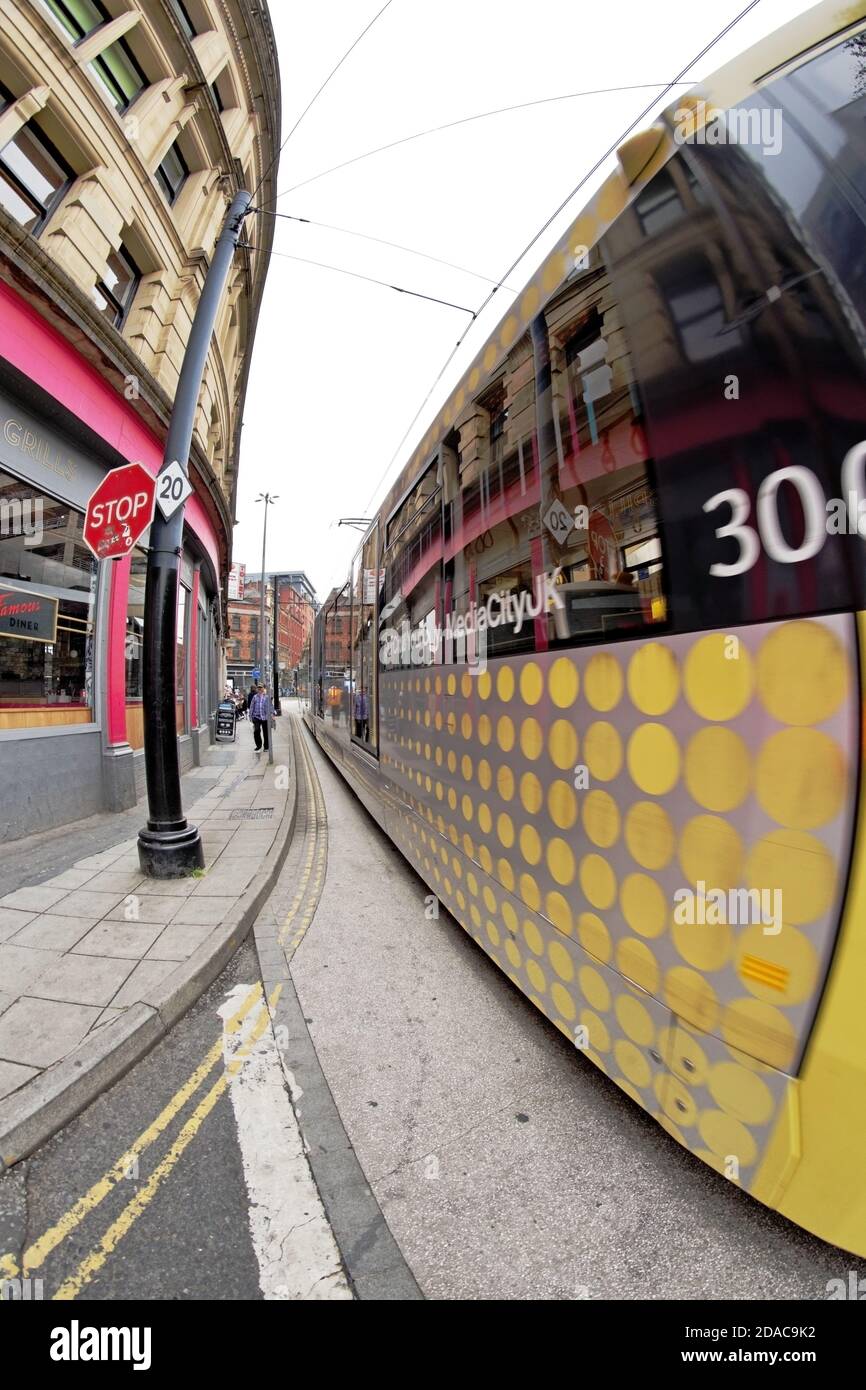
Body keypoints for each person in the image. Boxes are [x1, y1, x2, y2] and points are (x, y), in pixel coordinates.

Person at [249, 683, 270, 753]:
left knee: (266, 733)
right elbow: (251, 707)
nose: (260, 689)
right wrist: (250, 716)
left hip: (265, 718)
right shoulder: (255, 697)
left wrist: (272, 714)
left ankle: (266, 747)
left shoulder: (266, 697)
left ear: (264, 689)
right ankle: (258, 746)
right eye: (258, 688)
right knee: (256, 731)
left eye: (261, 688)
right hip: (256, 717)